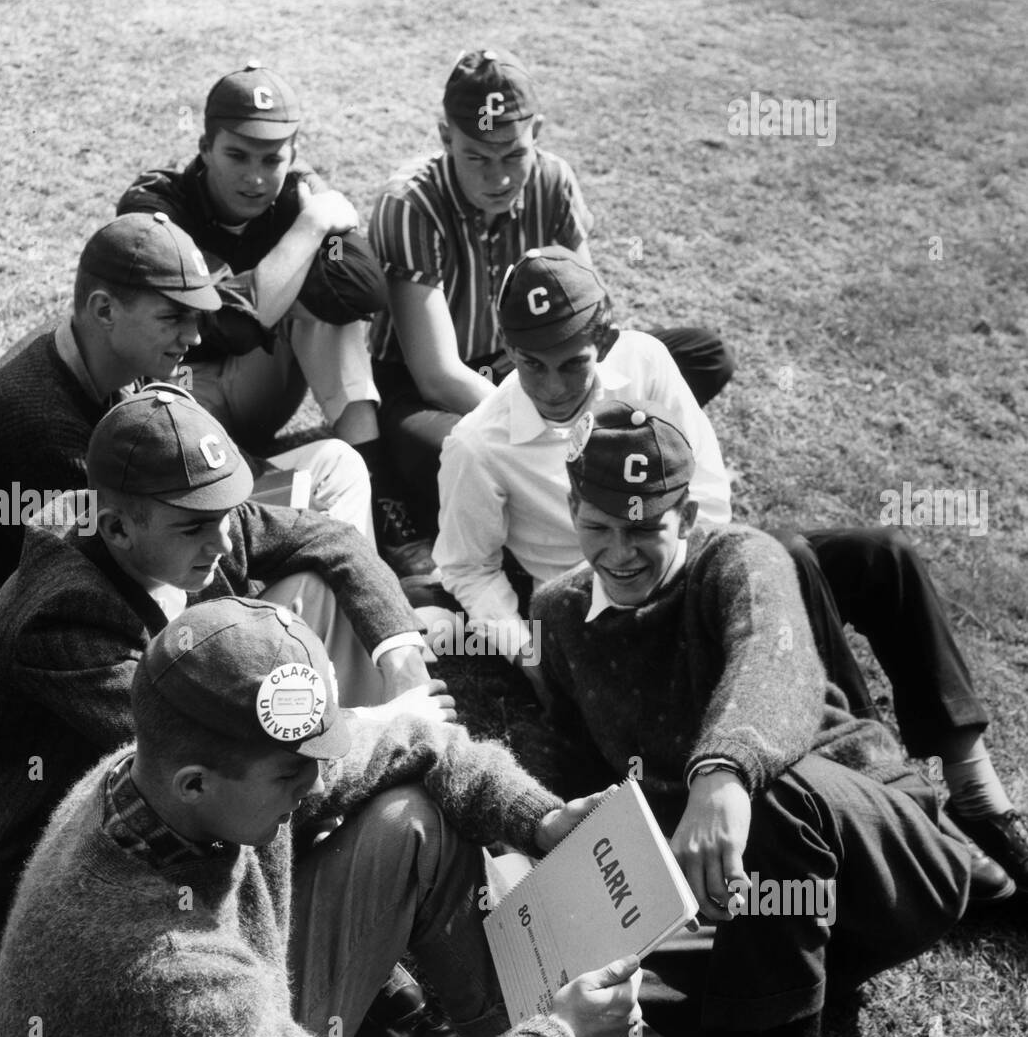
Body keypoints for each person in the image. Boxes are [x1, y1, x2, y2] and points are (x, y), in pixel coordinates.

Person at [0, 595, 930, 1037]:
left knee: (405, 821)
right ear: (195, 784)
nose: (311, 784)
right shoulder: (165, 971)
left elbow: (411, 752)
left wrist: (540, 817)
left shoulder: (173, 770)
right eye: (291, 776)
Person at [433, 247, 1027, 893]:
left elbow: (708, 496)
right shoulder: (477, 444)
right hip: (616, 617)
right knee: (790, 567)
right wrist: (533, 651)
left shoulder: (646, 363)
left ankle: (973, 787)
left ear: (604, 338)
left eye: (573, 362)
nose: (553, 388)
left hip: (692, 561)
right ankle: (894, 800)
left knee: (879, 555)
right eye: (531, 366)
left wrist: (715, 573)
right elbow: (467, 569)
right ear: (505, 350)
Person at [531, 397, 974, 1037]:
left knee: (771, 793)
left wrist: (724, 771)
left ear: (686, 517)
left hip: (877, 859)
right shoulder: (560, 612)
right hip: (733, 901)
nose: (619, 551)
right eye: (598, 527)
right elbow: (576, 765)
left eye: (644, 529)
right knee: (583, 997)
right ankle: (765, 1005)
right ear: (574, 511)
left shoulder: (740, 557)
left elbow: (774, 660)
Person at [0, 386, 428, 947]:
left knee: (316, 582)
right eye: (197, 528)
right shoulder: (62, 619)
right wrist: (381, 727)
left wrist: (401, 662)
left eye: (224, 516)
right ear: (117, 530)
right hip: (63, 871)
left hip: (176, 795)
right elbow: (202, 752)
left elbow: (332, 537)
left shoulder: (178, 513)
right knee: (246, 788)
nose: (223, 542)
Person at [367, 47, 734, 580]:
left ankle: (564, 486)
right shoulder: (410, 202)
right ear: (445, 137)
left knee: (703, 355)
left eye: (512, 155)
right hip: (429, 388)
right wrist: (550, 430)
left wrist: (572, 410)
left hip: (541, 361)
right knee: (449, 448)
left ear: (536, 131)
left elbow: (588, 315)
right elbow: (436, 371)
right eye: (476, 157)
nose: (498, 178)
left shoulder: (554, 180)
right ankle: (531, 523)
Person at [117, 63, 386, 512]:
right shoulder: (158, 204)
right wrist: (313, 225)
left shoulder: (294, 192)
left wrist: (309, 197)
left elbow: (363, 288)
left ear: (293, 155)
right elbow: (225, 323)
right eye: (238, 156)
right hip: (181, 390)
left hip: (261, 385)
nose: (256, 178)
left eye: (272, 159)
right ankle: (262, 503)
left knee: (328, 319)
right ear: (206, 148)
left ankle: (379, 488)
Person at [0, 212, 229, 618]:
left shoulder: (104, 351)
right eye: (172, 318)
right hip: (43, 611)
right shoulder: (42, 427)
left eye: (195, 317)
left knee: (330, 468)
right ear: (104, 310)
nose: (194, 336)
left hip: (93, 560)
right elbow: (136, 551)